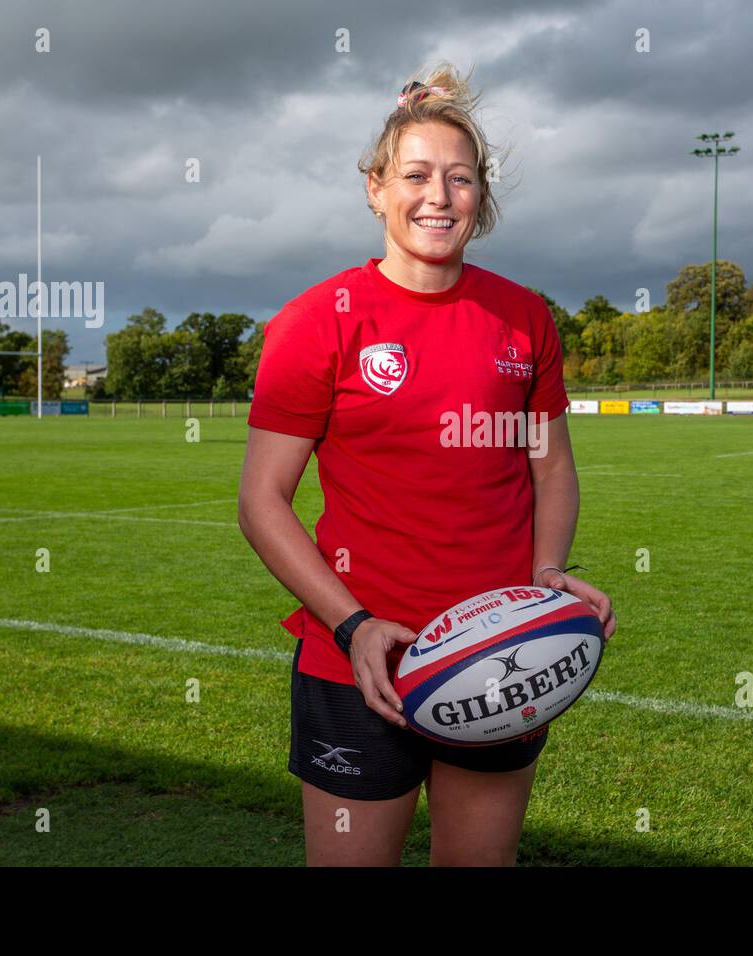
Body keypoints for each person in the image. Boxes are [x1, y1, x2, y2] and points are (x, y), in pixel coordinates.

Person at [237, 62, 616, 867]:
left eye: (460, 178)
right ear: (375, 187)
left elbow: (551, 470)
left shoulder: (522, 318)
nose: (438, 196)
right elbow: (263, 501)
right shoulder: (315, 323)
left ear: (482, 197)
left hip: (500, 656)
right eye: (415, 175)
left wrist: (548, 573)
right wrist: (354, 625)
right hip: (357, 660)